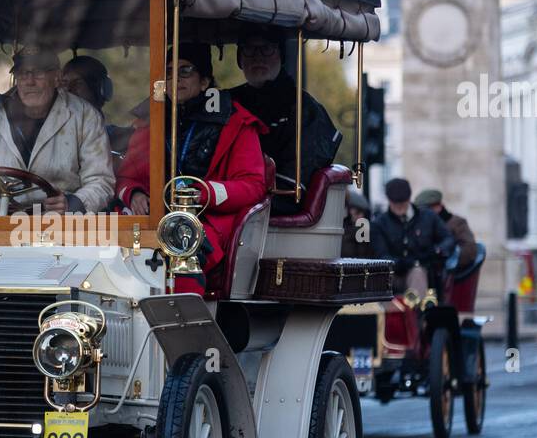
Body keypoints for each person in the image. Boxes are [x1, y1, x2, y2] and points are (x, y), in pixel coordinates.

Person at [116, 42, 265, 292]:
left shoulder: (235, 122)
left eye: (185, 71)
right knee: (107, 247)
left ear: (205, 81)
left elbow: (253, 185)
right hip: (154, 218)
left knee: (182, 252)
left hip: (207, 221)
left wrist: (203, 193)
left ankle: (183, 327)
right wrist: (135, 194)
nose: (176, 79)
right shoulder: (149, 124)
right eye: (169, 71)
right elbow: (125, 178)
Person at [0, 46, 113, 214]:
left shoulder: (85, 116)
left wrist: (73, 204)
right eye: (23, 74)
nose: (29, 81)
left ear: (57, 78)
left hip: (58, 227)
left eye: (38, 73)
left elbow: (101, 180)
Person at [227, 23, 342, 214]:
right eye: (249, 50)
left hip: (273, 204)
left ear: (282, 55)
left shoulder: (305, 109)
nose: (257, 56)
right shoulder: (227, 101)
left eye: (267, 49)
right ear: (240, 58)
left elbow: (293, 183)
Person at [370, 177, 455, 296]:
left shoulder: (428, 217)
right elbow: (381, 254)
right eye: (395, 203)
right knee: (381, 280)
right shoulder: (379, 224)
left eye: (402, 202)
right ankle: (387, 314)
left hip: (423, 272)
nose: (399, 206)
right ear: (389, 200)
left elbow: (448, 239)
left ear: (409, 199)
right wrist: (400, 263)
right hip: (393, 274)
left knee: (417, 273)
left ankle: (417, 312)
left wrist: (437, 250)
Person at [414, 188, 478, 270]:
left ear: (438, 207)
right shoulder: (418, 225)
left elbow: (469, 250)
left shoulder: (457, 223)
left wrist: (445, 256)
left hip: (450, 273)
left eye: (427, 209)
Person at [341, 189, 373, 258]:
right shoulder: (345, 227)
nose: (354, 214)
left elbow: (364, 255)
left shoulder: (364, 230)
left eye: (358, 212)